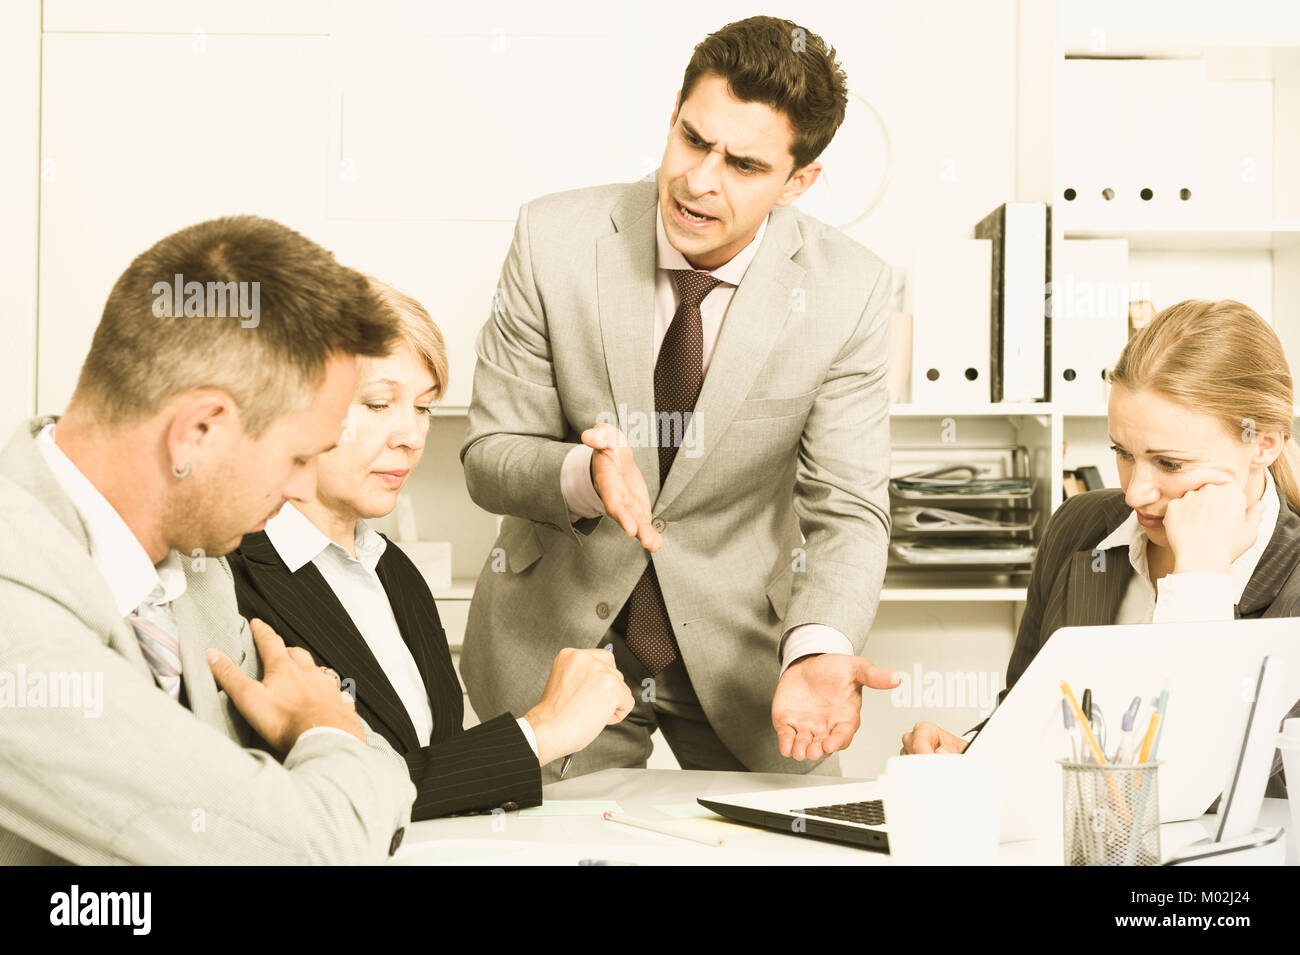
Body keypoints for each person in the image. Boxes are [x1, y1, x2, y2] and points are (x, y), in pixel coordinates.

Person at [460, 15, 899, 783]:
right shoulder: (551, 239)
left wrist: (820, 644)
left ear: (799, 183)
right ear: (672, 117)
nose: (700, 179)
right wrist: (581, 477)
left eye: (743, 164)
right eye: (693, 140)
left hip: (743, 652)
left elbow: (848, 505)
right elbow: (490, 456)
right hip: (560, 642)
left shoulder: (851, 291)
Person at [0, 215, 419, 864]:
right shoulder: (13, 613)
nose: (305, 488)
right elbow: (306, 850)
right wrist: (326, 734)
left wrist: (324, 747)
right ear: (197, 432)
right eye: (299, 457)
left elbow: (390, 768)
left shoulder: (194, 565)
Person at [228, 279, 635, 819]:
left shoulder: (395, 572)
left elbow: (432, 767)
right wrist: (541, 731)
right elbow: (334, 800)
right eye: (378, 404)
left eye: (422, 408)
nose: (412, 436)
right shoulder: (230, 578)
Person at [903, 300, 1300, 794]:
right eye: (1123, 453)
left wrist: (1200, 579)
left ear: (1264, 443)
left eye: (1170, 464)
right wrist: (974, 757)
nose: (1136, 493)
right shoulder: (1081, 526)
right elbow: (1028, 722)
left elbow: (1207, 782)